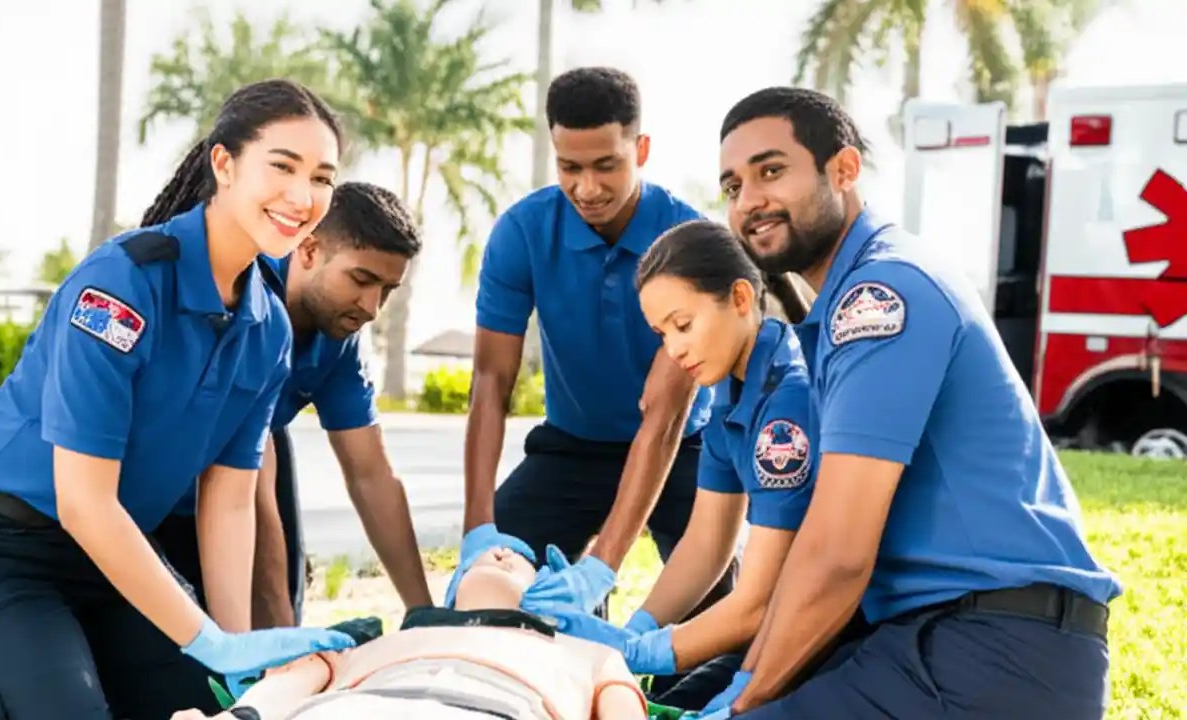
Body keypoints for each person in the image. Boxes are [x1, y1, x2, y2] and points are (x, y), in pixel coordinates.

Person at [0, 79, 359, 720]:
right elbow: (84, 500)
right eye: (282, 166)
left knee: (217, 708)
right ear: (224, 164)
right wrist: (207, 640)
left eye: (321, 178)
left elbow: (228, 500)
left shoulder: (269, 330)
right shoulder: (121, 284)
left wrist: (232, 651)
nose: (302, 196)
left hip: (115, 564)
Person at [697, 86, 1121, 719]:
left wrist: (745, 702)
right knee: (703, 690)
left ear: (844, 170)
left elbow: (838, 556)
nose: (749, 201)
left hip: (996, 648)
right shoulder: (845, 302)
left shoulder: (880, 296)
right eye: (733, 186)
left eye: (772, 171)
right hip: (939, 634)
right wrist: (745, 680)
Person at [456, 65, 725, 637]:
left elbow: (663, 416)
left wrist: (603, 564)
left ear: (641, 150)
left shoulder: (688, 239)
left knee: (716, 626)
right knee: (483, 594)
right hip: (571, 446)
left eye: (607, 165)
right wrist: (478, 525)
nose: (587, 188)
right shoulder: (522, 232)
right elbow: (491, 382)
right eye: (569, 167)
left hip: (683, 446)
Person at [542, 219, 821, 713]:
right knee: (662, 700)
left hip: (829, 632)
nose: (674, 350)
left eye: (683, 325)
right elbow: (707, 544)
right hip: (779, 626)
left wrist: (640, 652)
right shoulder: (731, 394)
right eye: (661, 334)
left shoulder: (786, 405)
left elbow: (757, 602)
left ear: (740, 298)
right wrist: (635, 632)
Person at [155, 181, 433, 630]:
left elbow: (371, 474)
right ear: (308, 249)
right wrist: (282, 642)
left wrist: (423, 611)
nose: (372, 307)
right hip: (155, 490)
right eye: (361, 280)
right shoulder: (241, 294)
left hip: (242, 487)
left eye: (387, 290)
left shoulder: (339, 335)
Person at [170, 546, 648, 719]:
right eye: (479, 556)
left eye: (524, 559)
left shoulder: (587, 652)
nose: (501, 552)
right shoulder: (368, 643)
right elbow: (290, 684)